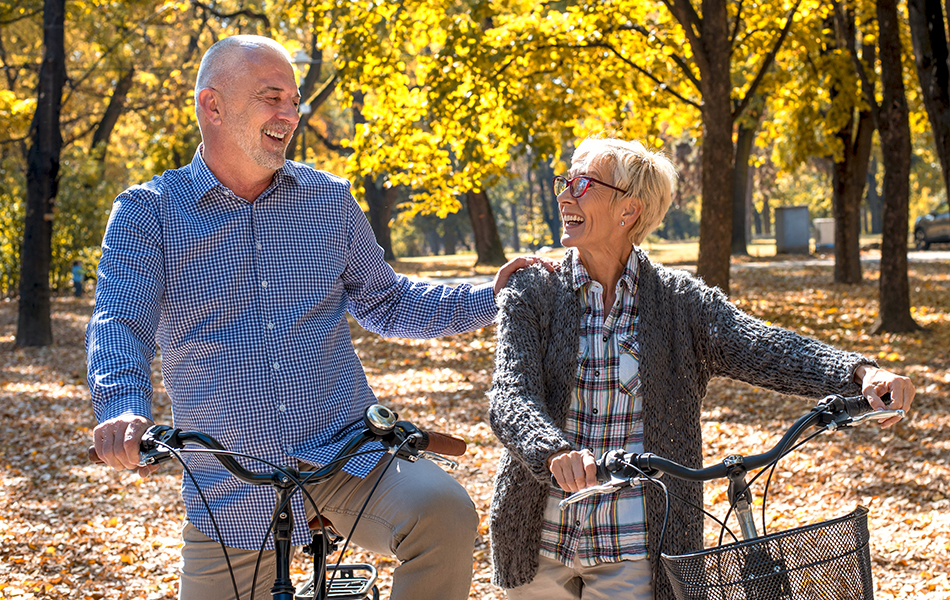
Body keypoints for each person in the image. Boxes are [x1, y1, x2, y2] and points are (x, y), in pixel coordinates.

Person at [87, 34, 546, 600]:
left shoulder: (327, 200)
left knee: (445, 514)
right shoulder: (149, 212)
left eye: (294, 100)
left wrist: (492, 294)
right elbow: (119, 323)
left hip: (346, 455)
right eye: (271, 97)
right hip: (228, 485)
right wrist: (121, 410)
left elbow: (389, 300)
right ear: (213, 106)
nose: (290, 114)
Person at [485, 134, 915, 600]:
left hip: (636, 551)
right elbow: (511, 392)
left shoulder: (681, 304)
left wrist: (859, 373)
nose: (566, 194)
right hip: (540, 541)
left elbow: (764, 346)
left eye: (583, 184)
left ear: (628, 211)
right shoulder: (533, 289)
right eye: (564, 182)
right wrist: (551, 450)